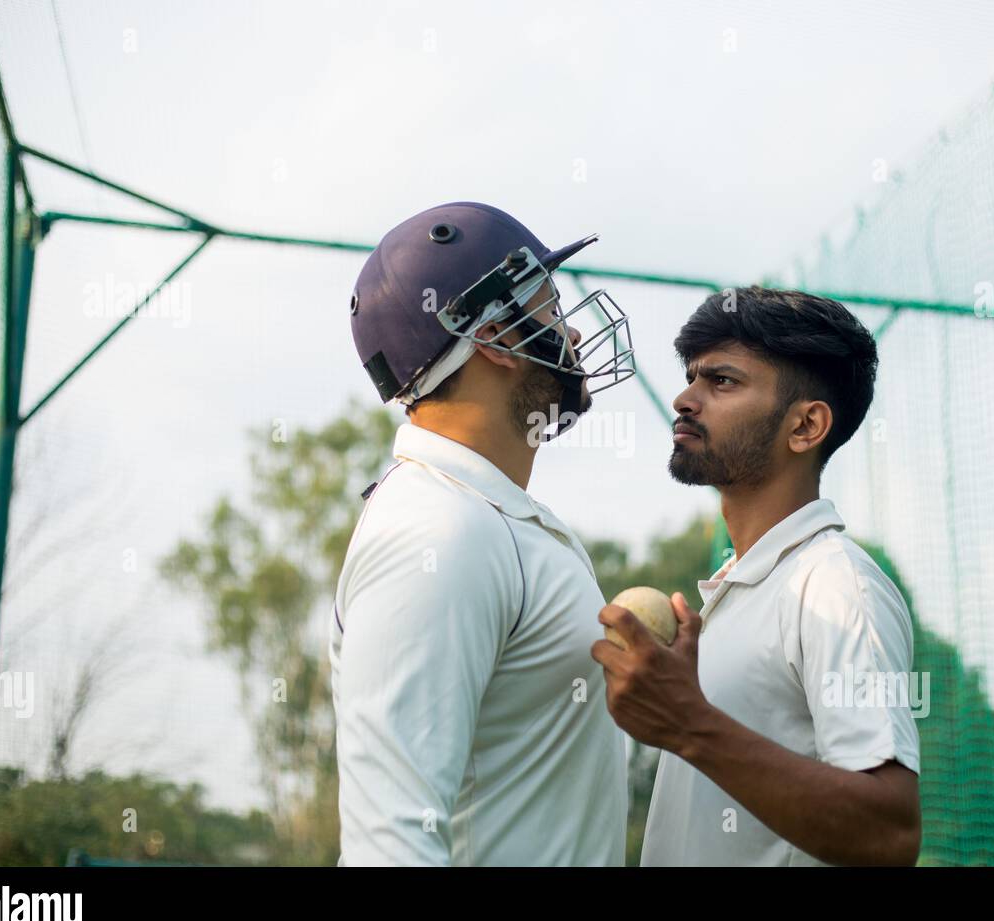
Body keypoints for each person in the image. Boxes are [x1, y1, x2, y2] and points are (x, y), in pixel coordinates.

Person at [330, 201, 635, 865]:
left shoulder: (484, 515)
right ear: (495, 338)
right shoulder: (438, 532)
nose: (574, 335)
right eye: (549, 307)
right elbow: (392, 844)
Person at [594, 285, 922, 866]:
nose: (685, 399)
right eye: (692, 377)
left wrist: (690, 724)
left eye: (721, 382)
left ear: (806, 426)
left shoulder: (836, 585)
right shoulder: (740, 588)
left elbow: (889, 833)